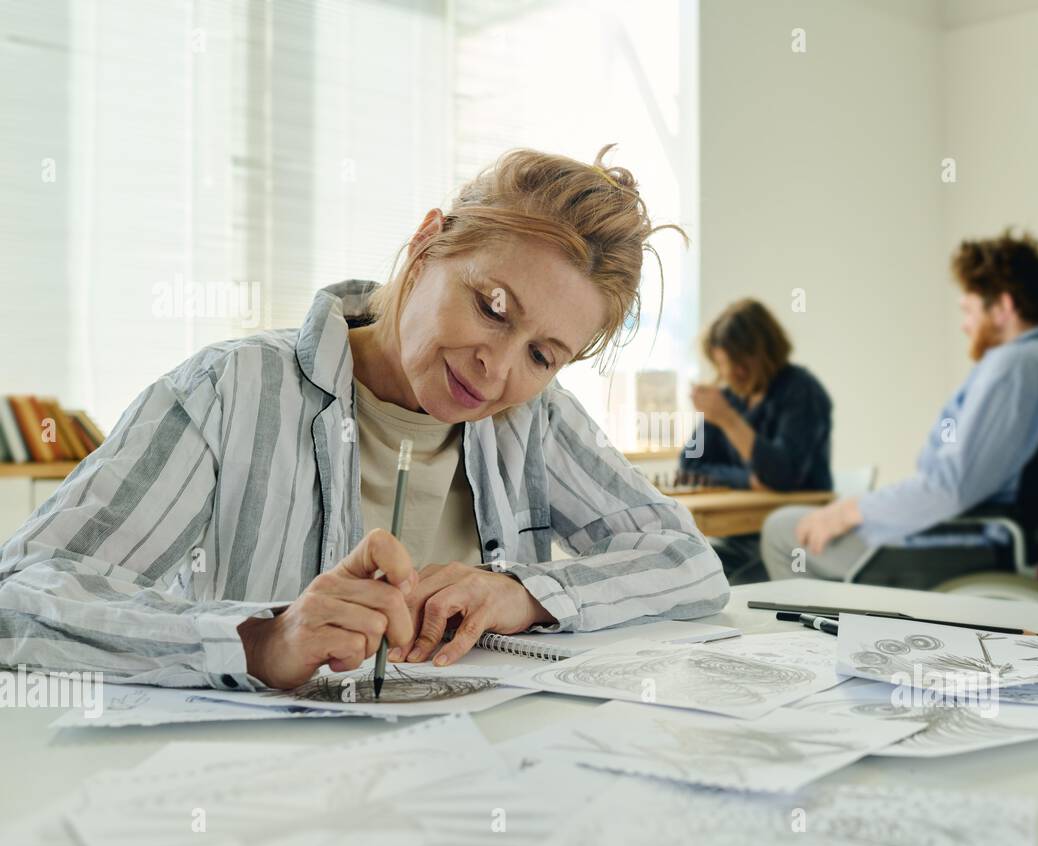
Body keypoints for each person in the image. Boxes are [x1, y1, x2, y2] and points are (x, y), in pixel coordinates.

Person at [0, 146, 728, 691]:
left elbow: (688, 562)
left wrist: (522, 593)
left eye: (543, 354)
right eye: (492, 307)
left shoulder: (533, 420)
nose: (497, 369)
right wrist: (261, 641)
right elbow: (21, 596)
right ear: (427, 242)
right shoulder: (231, 391)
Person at [761, 230, 1038, 586]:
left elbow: (952, 488)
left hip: (971, 541)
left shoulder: (1015, 367)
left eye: (968, 310)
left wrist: (849, 511)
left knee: (783, 529)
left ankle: (810, 638)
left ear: (1003, 307)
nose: (964, 325)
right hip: (1026, 534)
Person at [679, 298, 832, 583]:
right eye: (723, 365)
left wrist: (728, 420)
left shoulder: (801, 391)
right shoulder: (734, 396)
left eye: (738, 365)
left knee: (710, 583)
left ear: (762, 354)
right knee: (685, 570)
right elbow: (689, 466)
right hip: (738, 539)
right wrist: (746, 480)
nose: (730, 375)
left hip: (791, 543)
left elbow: (781, 476)